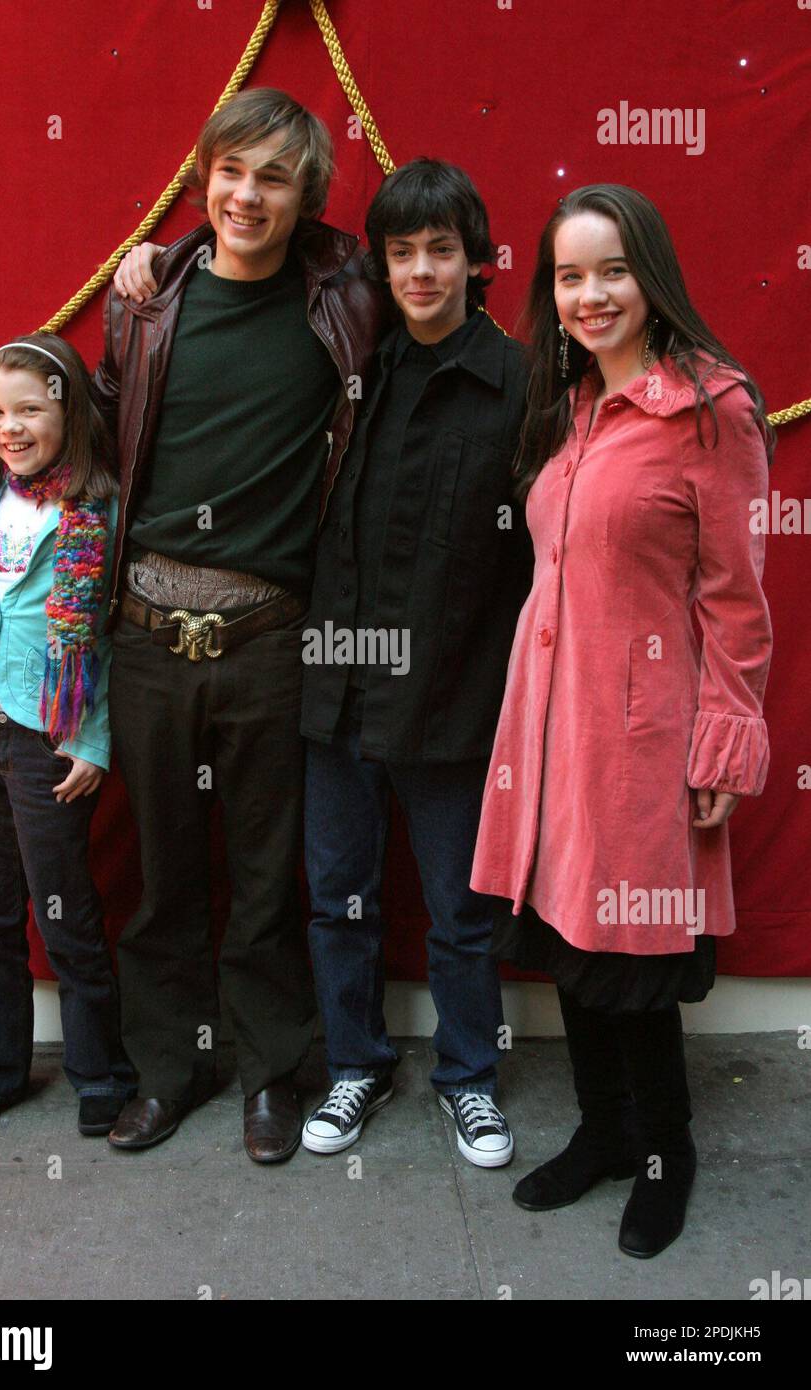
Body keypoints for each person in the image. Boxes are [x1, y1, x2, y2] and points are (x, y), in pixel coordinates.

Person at [470, 184, 773, 1255]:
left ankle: (663, 1153)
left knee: (634, 955)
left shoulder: (711, 409)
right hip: (550, 733)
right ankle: (603, 1132)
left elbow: (734, 596)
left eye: (610, 270)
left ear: (650, 274)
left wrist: (725, 734)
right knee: (571, 941)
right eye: (567, 276)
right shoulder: (568, 406)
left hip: (643, 733)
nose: (589, 295)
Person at [95, 88, 384, 1160]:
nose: (246, 194)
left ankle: (273, 1075)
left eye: (273, 176)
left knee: (268, 874)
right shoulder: (145, 301)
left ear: (306, 195)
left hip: (272, 642)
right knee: (162, 871)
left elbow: (420, 267)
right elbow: (95, 439)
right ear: (202, 174)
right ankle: (167, 1071)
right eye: (230, 170)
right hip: (146, 639)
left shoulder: (345, 297)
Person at [298, 159, 533, 1165]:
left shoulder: (524, 382)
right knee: (336, 895)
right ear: (382, 265)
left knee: (461, 910)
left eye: (441, 249)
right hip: (339, 683)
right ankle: (354, 1063)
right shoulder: (356, 368)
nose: (423, 269)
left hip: (456, 694)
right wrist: (149, 261)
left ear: (476, 260)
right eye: (402, 252)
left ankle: (468, 1078)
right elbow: (267, 260)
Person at [0, 333, 132, 1140]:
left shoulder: (97, 509)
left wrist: (94, 740)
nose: (11, 426)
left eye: (30, 409)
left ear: (65, 409)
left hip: (49, 738)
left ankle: (99, 1071)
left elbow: (106, 640)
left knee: (67, 910)